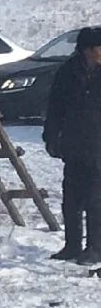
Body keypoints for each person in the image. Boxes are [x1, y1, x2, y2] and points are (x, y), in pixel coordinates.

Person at [43, 26, 101, 263]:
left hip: (98, 146)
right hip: (74, 144)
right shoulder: (68, 72)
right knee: (72, 199)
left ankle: (96, 248)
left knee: (96, 200)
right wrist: (51, 136)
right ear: (87, 50)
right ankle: (72, 245)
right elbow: (55, 107)